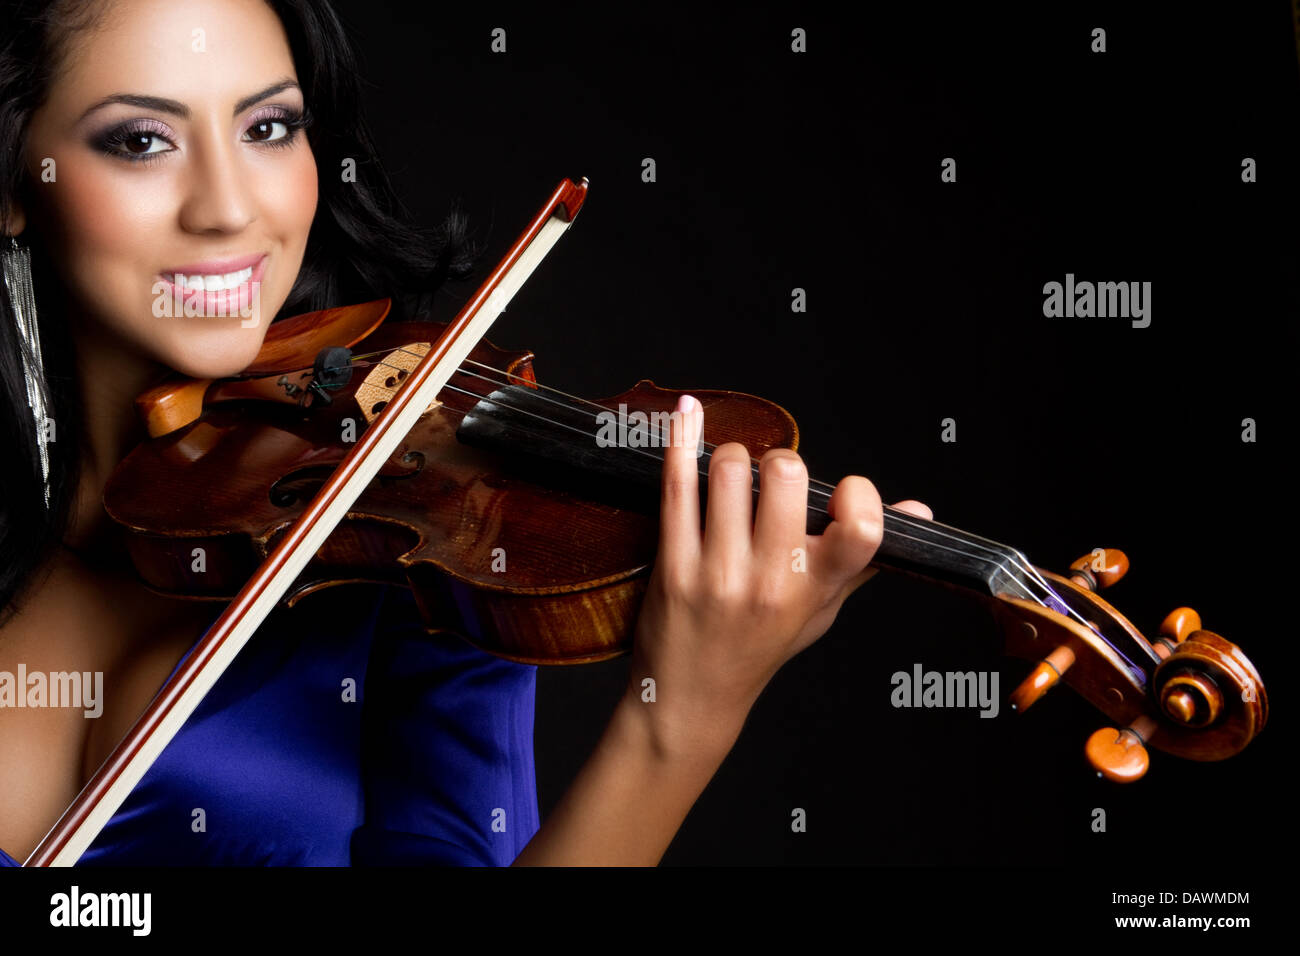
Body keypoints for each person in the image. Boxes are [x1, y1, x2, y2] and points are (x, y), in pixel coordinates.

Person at [0, 0, 930, 866]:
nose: (230, 206)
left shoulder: (424, 571)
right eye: (142, 139)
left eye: (268, 128)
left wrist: (678, 723)